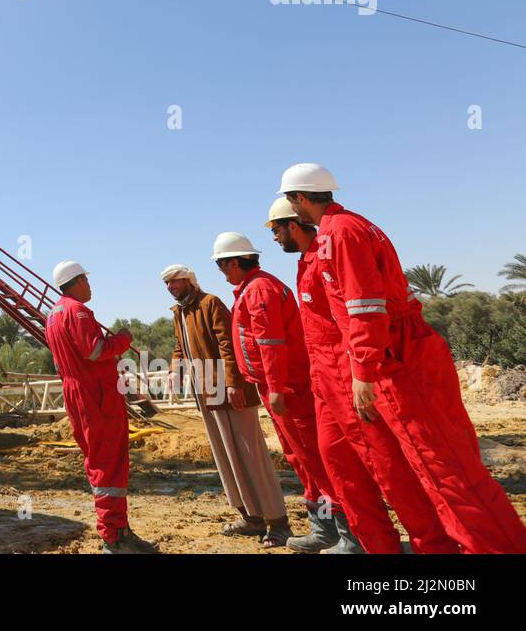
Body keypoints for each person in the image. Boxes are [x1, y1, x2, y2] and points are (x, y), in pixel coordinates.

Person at [280, 163, 526, 553]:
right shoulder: (342, 230)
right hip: (390, 357)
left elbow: (364, 306)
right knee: (432, 472)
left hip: (398, 358)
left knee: (449, 473)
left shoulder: (342, 233)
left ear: (299, 200)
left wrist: (362, 369)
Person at [266, 197, 459, 554]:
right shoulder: (309, 261)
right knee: (337, 465)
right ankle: (373, 545)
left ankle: (434, 544)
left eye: (275, 229)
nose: (274, 238)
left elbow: (361, 313)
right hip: (324, 383)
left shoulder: (333, 247)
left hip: (348, 378)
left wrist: (361, 372)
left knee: (387, 469)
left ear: (293, 223)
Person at [212, 232, 337, 549]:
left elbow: (271, 344)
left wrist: (278, 388)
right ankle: (323, 527)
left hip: (288, 388)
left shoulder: (260, 290)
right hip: (276, 388)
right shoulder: (252, 289)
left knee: (313, 460)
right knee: (300, 459)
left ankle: (336, 531)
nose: (222, 272)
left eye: (223, 264)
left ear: (239, 261)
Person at [161, 264, 290, 543]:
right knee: (227, 458)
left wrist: (233, 383)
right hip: (206, 393)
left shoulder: (211, 304)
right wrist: (175, 369)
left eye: (175, 282)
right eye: (167, 284)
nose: (171, 288)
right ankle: (251, 517)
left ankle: (278, 520)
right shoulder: (179, 313)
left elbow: (228, 344)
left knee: (250, 454)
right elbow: (180, 346)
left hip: (231, 392)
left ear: (189, 281)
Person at [45, 260, 157, 554]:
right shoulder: (78, 311)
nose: (90, 286)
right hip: (96, 395)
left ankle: (117, 530)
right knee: (109, 463)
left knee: (98, 460)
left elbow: (65, 359)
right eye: (86, 280)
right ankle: (114, 537)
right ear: (77, 281)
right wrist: (122, 339)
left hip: (77, 394)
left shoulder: (53, 317)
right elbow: (95, 351)